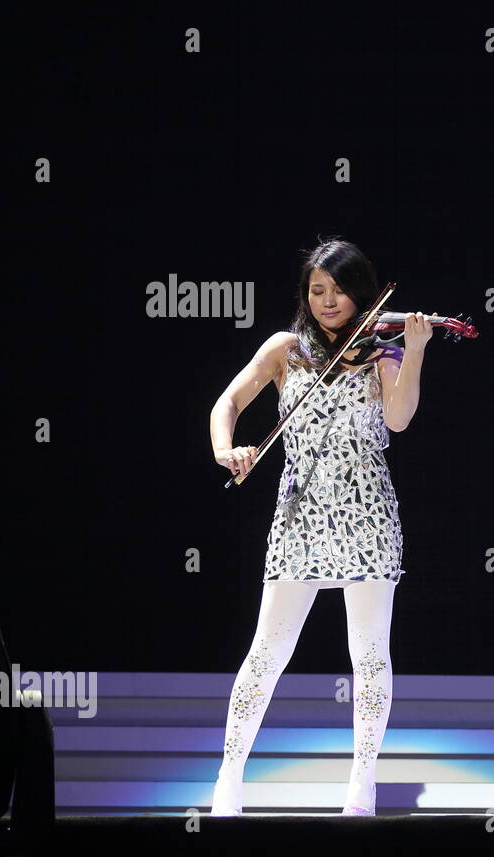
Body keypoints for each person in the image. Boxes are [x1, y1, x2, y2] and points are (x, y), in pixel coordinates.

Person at [207, 238, 433, 815]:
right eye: (317, 290)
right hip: (299, 518)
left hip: (368, 517)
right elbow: (226, 404)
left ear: (360, 292)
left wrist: (415, 349)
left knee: (370, 655)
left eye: (339, 290)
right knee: (266, 653)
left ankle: (363, 783)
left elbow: (399, 420)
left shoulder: (381, 351)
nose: (328, 301)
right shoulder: (286, 348)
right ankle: (229, 779)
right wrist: (226, 449)